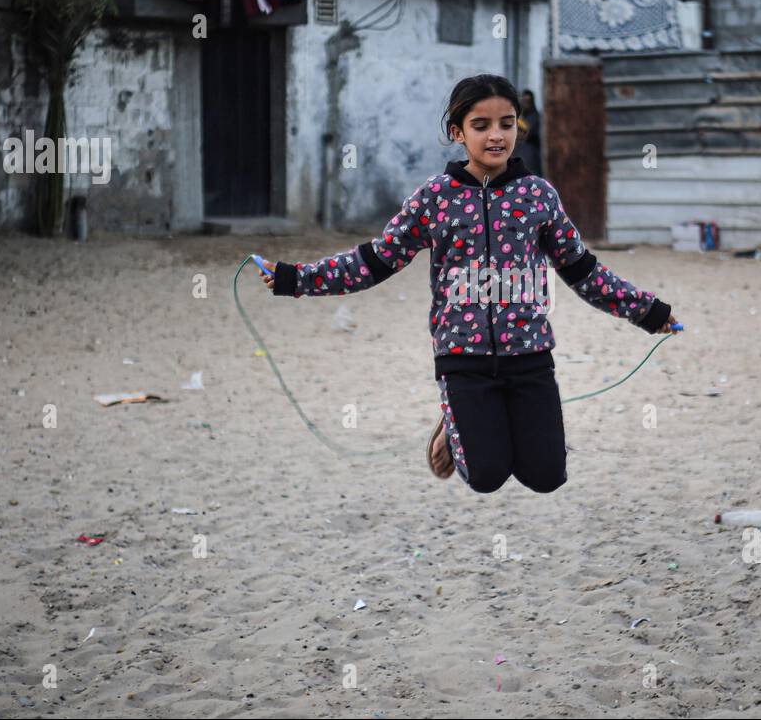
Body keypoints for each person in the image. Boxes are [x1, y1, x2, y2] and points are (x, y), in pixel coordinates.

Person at [258, 73, 680, 493]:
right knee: (486, 476)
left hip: (529, 355)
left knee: (547, 477)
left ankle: (474, 422)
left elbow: (583, 270)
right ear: (458, 132)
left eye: (507, 123)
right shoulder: (434, 198)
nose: (496, 136)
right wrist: (294, 278)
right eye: (481, 126)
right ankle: (454, 422)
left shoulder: (538, 196)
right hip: (462, 358)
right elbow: (374, 261)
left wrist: (648, 311)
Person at [515, 88, 541, 175]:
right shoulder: (520, 116)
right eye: (523, 101)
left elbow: (527, 132)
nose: (525, 104)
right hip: (519, 152)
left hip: (530, 152)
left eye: (527, 102)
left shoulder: (535, 116)